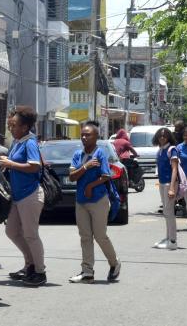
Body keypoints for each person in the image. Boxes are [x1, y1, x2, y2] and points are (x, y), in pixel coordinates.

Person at [0, 106, 47, 287]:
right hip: (18, 196)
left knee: (31, 235)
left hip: (30, 195)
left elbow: (35, 166)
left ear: (25, 127)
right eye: (10, 125)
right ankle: (30, 263)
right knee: (11, 231)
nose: (11, 129)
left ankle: (40, 271)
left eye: (14, 125)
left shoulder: (29, 142)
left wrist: (10, 163)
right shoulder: (18, 142)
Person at [68, 120, 121, 284]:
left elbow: (106, 175)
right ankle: (87, 272)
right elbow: (72, 176)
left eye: (88, 134)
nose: (84, 137)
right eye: (82, 134)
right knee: (85, 236)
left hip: (98, 200)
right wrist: (86, 166)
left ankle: (115, 263)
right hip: (81, 201)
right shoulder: (78, 155)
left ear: (96, 137)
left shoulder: (100, 154)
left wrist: (91, 185)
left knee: (100, 235)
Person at [153, 128, 179, 250]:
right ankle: (168, 238)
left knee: (169, 212)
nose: (162, 137)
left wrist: (172, 188)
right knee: (166, 212)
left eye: (164, 136)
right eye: (160, 136)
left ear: (169, 137)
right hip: (162, 184)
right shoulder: (160, 150)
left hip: (169, 184)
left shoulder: (171, 149)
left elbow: (175, 169)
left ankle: (173, 241)